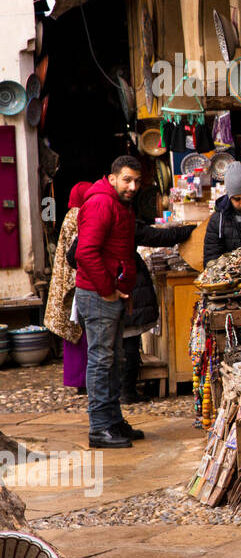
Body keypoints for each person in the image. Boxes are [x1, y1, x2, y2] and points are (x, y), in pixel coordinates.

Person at [74, 156, 143, 448]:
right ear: (112, 177)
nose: (133, 186)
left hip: (111, 293)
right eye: (127, 180)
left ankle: (113, 421)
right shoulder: (102, 203)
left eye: (137, 181)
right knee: (102, 361)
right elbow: (85, 253)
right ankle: (100, 427)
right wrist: (107, 290)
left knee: (114, 360)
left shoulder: (120, 204)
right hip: (98, 293)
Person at [120, 220, 195, 404]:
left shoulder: (95, 221)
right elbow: (159, 237)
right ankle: (126, 391)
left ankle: (122, 390)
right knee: (129, 340)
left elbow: (73, 256)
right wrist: (192, 229)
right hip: (125, 284)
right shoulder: (121, 220)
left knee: (122, 342)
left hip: (114, 287)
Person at [44, 181, 93, 394]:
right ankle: (83, 380)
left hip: (71, 280)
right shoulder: (78, 216)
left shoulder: (70, 214)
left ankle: (80, 380)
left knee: (76, 332)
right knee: (80, 333)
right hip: (76, 282)